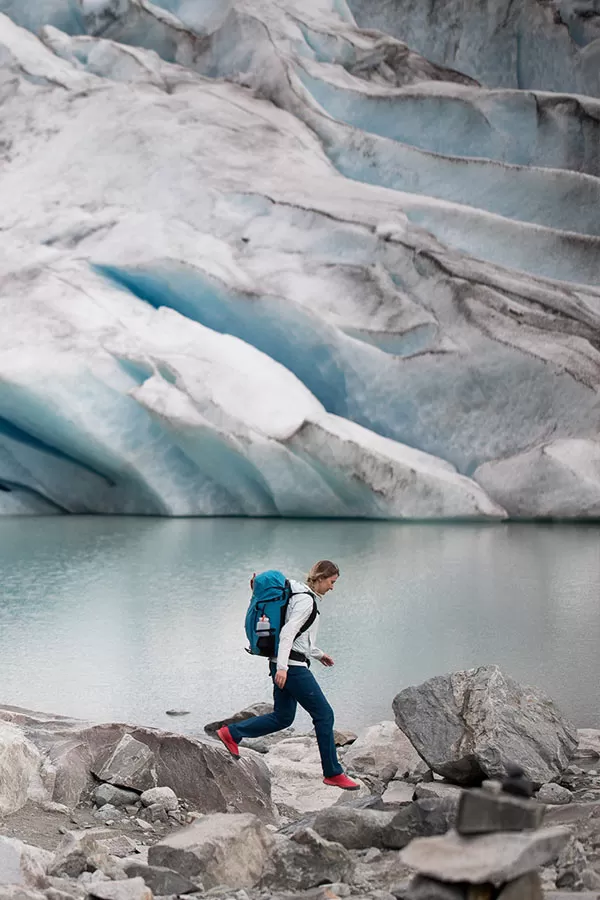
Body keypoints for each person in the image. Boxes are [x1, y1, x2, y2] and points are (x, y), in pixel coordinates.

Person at [217, 560, 360, 790]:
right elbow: (287, 633)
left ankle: (231, 733)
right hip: (292, 668)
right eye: (332, 582)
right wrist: (283, 668)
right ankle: (333, 772)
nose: (332, 587)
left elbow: (300, 639)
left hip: (283, 663)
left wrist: (318, 654)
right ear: (321, 578)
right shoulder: (305, 601)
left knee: (283, 717)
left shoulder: (297, 593)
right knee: (324, 715)